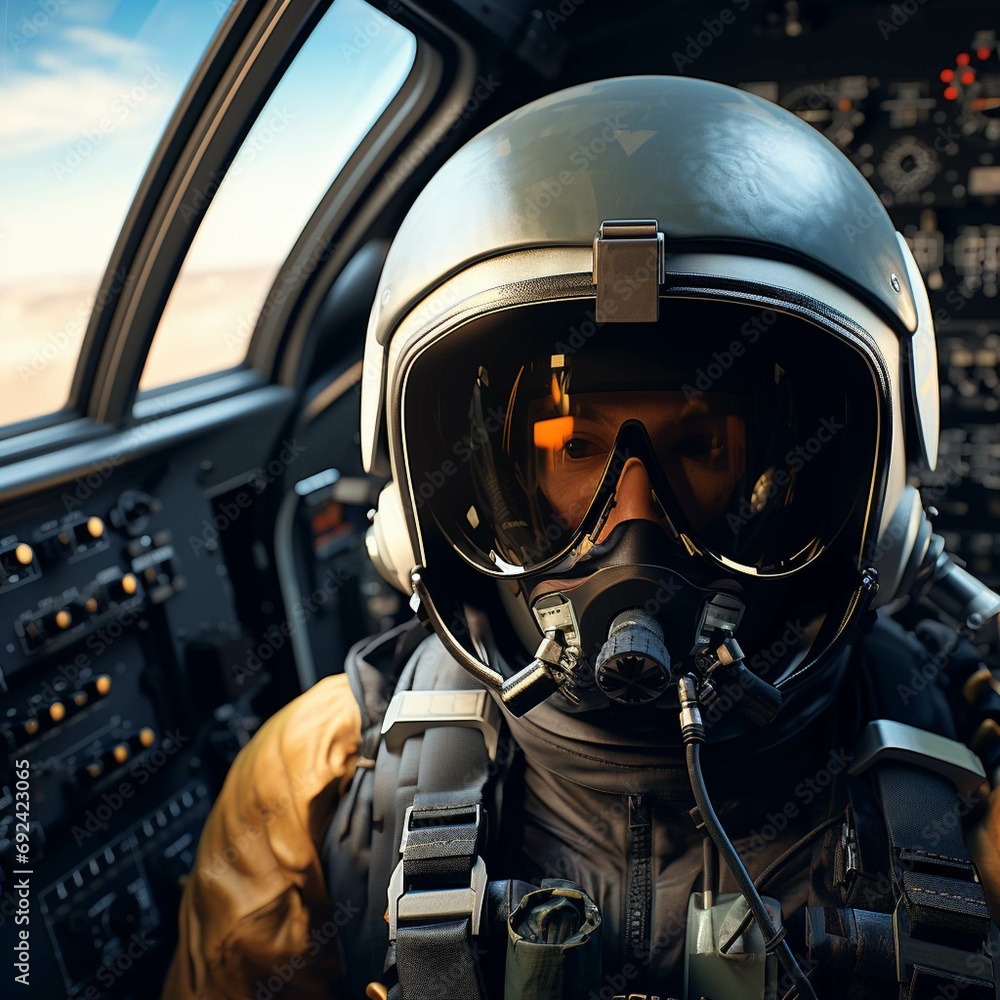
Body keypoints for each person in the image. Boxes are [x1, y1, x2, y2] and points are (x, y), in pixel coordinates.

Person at [163, 76, 1000, 1000]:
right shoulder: (319, 779)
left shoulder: (970, 786)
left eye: (697, 447)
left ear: (866, 510)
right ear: (443, 510)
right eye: (577, 449)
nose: (635, 522)